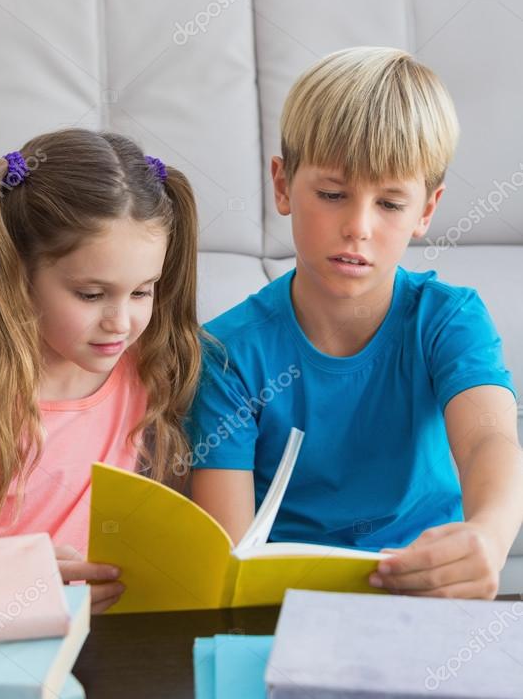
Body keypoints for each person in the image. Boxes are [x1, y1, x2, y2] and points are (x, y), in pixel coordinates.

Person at [188, 47, 523, 600]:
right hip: (286, 605)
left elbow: (490, 437)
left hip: (426, 595)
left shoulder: (448, 320)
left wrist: (487, 533)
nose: (358, 227)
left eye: (390, 203)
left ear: (426, 211)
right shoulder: (228, 354)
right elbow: (229, 560)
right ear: (282, 185)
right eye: (332, 194)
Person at [0, 129, 202, 612]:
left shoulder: (143, 368)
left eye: (141, 292)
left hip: (88, 622)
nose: (120, 323)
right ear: (19, 276)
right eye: (91, 295)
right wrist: (24, 582)